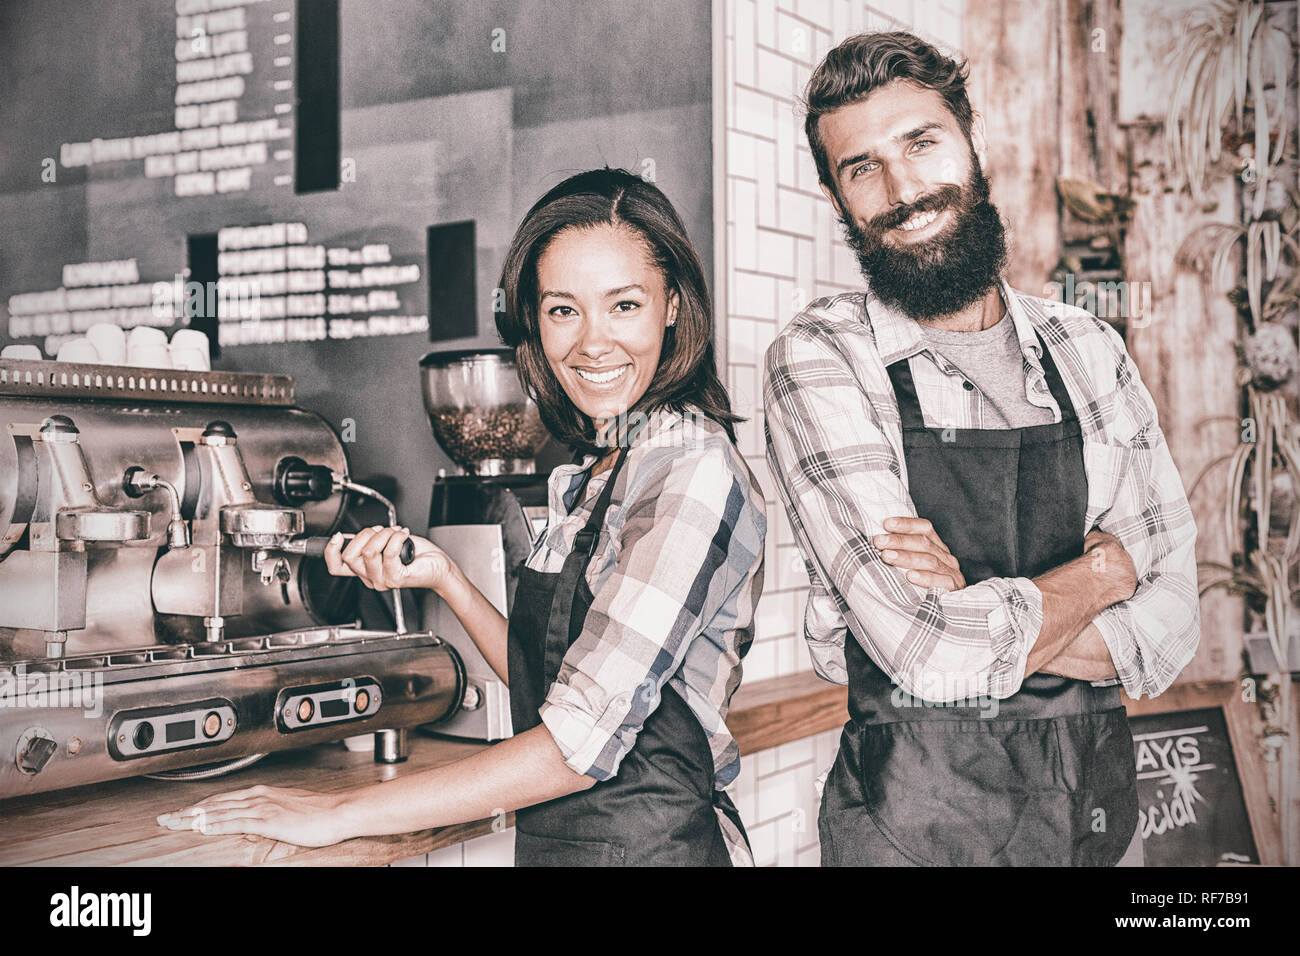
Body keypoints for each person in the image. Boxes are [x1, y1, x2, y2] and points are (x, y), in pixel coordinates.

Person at [158, 168, 767, 866]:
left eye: (623, 305)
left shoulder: (690, 469)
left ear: (672, 306)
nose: (592, 343)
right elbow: (563, 689)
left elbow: (576, 745)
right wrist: (446, 577)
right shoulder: (604, 467)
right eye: (563, 310)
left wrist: (339, 813)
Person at [763, 32, 1200, 866]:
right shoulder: (822, 356)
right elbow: (927, 654)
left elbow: (1173, 623)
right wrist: (1105, 574)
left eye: (922, 143)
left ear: (973, 142)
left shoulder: (1087, 349)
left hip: (1095, 819)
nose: (903, 189)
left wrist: (974, 596)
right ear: (837, 199)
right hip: (911, 828)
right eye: (863, 168)